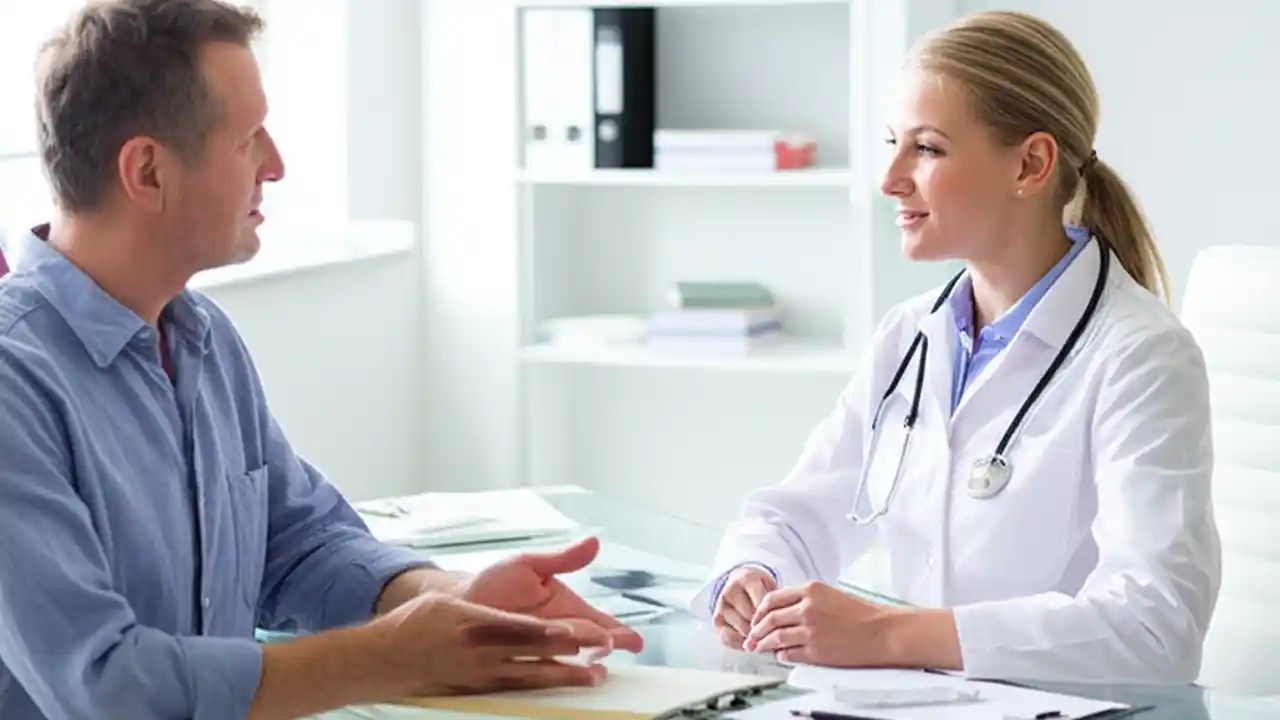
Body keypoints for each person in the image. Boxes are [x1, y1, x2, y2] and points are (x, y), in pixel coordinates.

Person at [0, 2, 642, 719]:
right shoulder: (13, 385)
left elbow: (300, 543)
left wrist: (456, 602)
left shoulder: (203, 339)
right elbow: (107, 686)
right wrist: (392, 655)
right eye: (248, 140)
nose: (275, 165)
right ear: (148, 171)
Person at [694, 10, 1220, 685]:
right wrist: (750, 573)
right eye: (892, 142)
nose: (889, 178)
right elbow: (798, 513)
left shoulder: (1140, 356)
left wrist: (888, 633)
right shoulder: (911, 336)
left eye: (928, 148)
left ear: (1030, 164)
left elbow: (1156, 626)